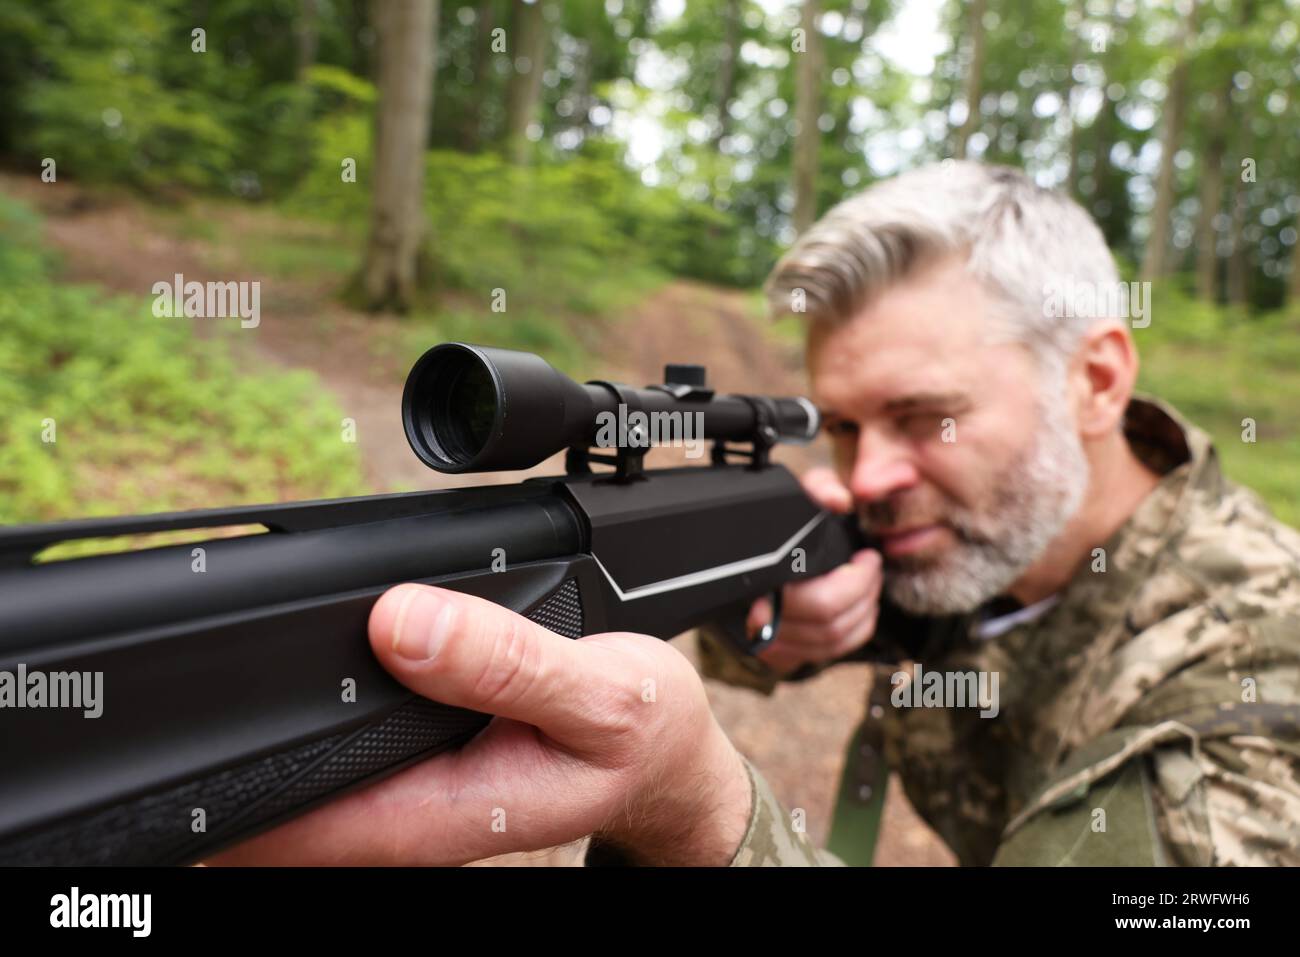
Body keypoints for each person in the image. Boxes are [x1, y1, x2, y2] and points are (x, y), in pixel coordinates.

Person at [209, 162, 1300, 867]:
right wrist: (756, 617)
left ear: (1098, 381)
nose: (869, 476)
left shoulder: (1250, 697)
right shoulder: (988, 538)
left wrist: (698, 817)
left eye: (927, 418)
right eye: (840, 426)